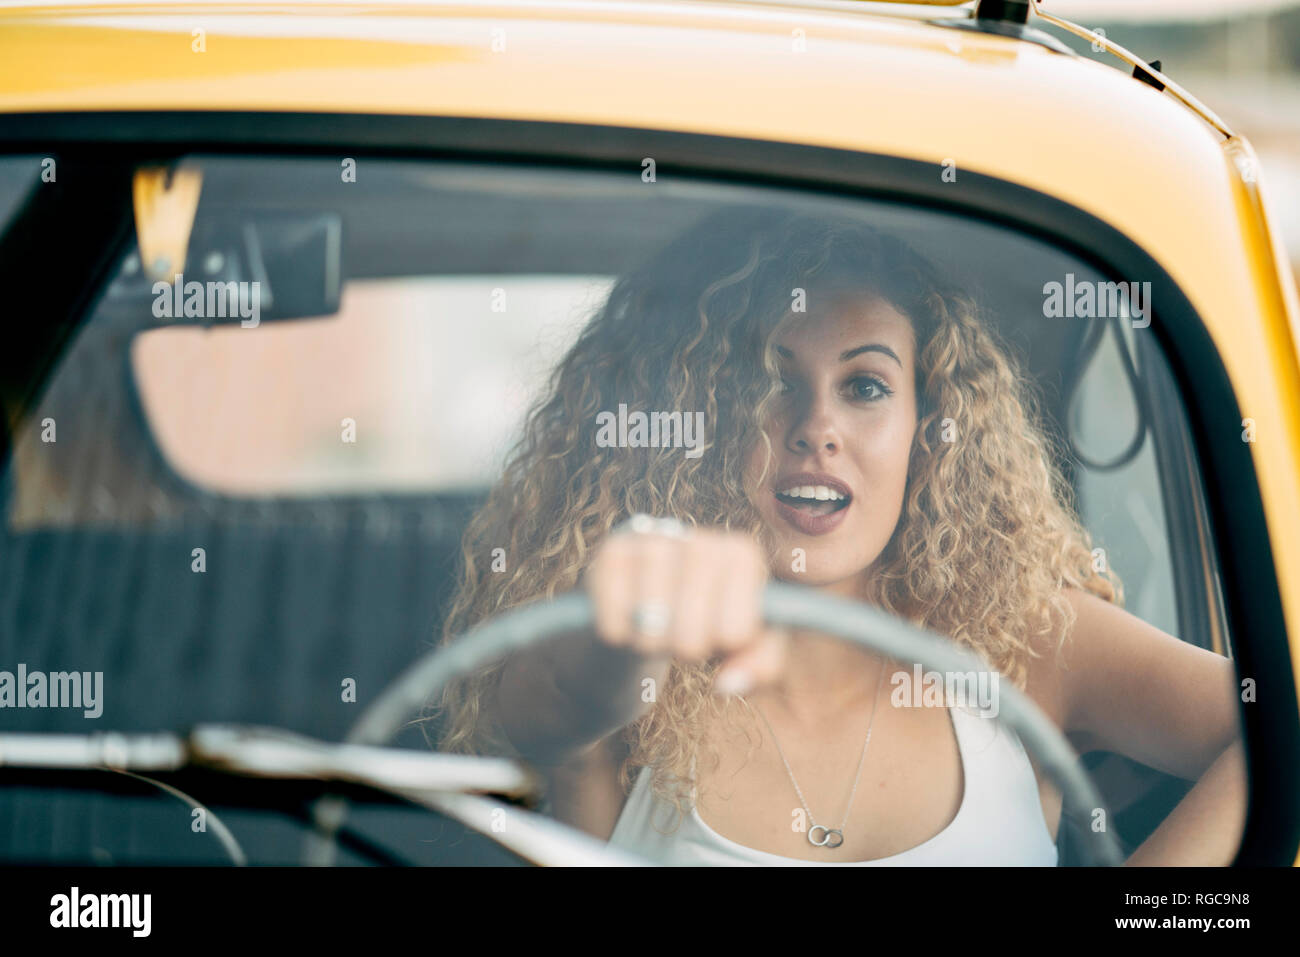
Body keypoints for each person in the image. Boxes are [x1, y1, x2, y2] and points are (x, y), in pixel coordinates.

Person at [432, 206, 1246, 865]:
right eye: (768, 381)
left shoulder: (1027, 640)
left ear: (928, 430)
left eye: (863, 386)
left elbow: (1274, 724)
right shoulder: (614, 678)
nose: (816, 426)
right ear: (699, 426)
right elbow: (562, 705)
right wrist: (632, 617)